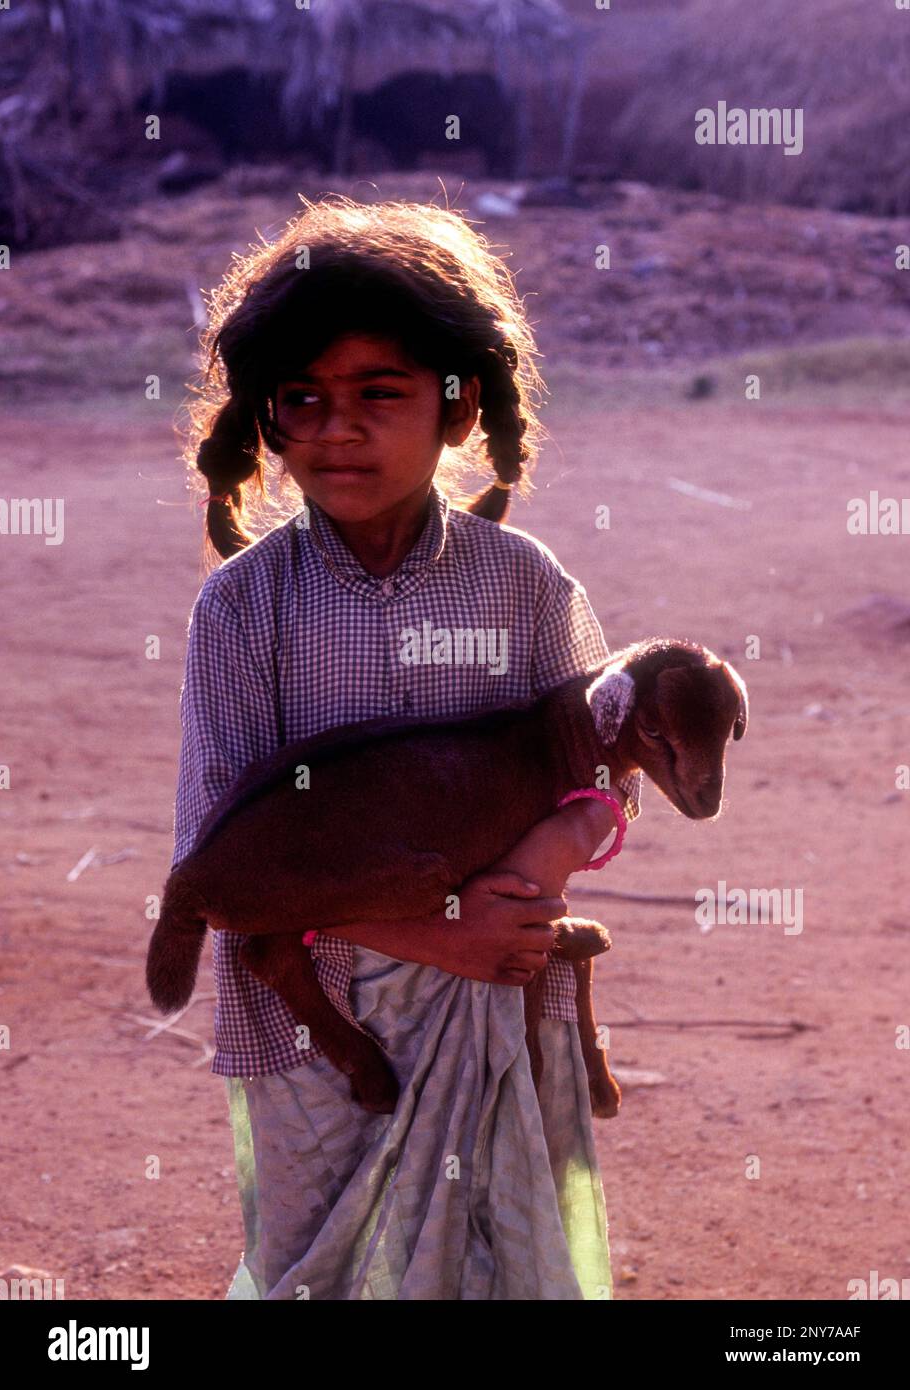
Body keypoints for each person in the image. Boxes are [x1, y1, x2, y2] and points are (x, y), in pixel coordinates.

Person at [170, 195, 643, 1300]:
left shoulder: (527, 585)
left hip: (507, 1018)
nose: (338, 429)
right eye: (304, 400)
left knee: (508, 1266)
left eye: (378, 395)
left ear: (458, 403)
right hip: (311, 1030)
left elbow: (611, 773)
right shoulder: (244, 611)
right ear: (269, 420)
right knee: (317, 1273)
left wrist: (546, 865)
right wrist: (445, 931)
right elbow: (219, 870)